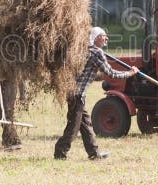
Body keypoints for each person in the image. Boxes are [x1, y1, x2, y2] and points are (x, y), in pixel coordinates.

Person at [54, 26, 138, 161]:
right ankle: (60, 152)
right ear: (97, 38)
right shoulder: (96, 53)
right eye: (104, 35)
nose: (106, 38)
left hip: (74, 93)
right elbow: (111, 73)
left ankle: (94, 153)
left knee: (86, 125)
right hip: (77, 94)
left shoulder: (85, 50)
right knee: (73, 127)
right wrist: (130, 73)